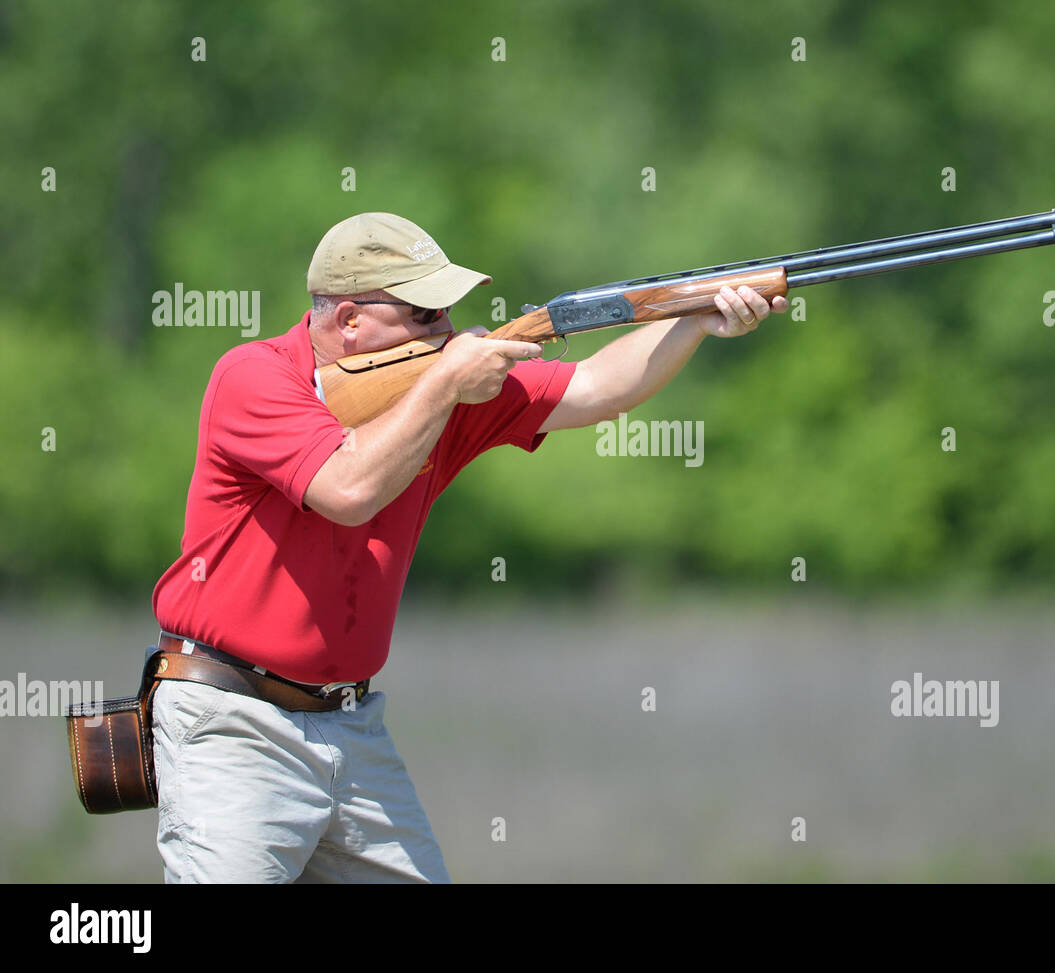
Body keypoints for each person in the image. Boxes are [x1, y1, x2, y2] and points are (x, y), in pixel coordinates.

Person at [148, 211, 786, 882]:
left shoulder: (443, 391)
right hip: (234, 725)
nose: (448, 330)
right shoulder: (251, 376)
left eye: (447, 309)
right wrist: (446, 383)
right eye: (424, 314)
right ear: (348, 322)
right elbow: (347, 485)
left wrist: (693, 317)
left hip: (352, 725)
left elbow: (596, 387)